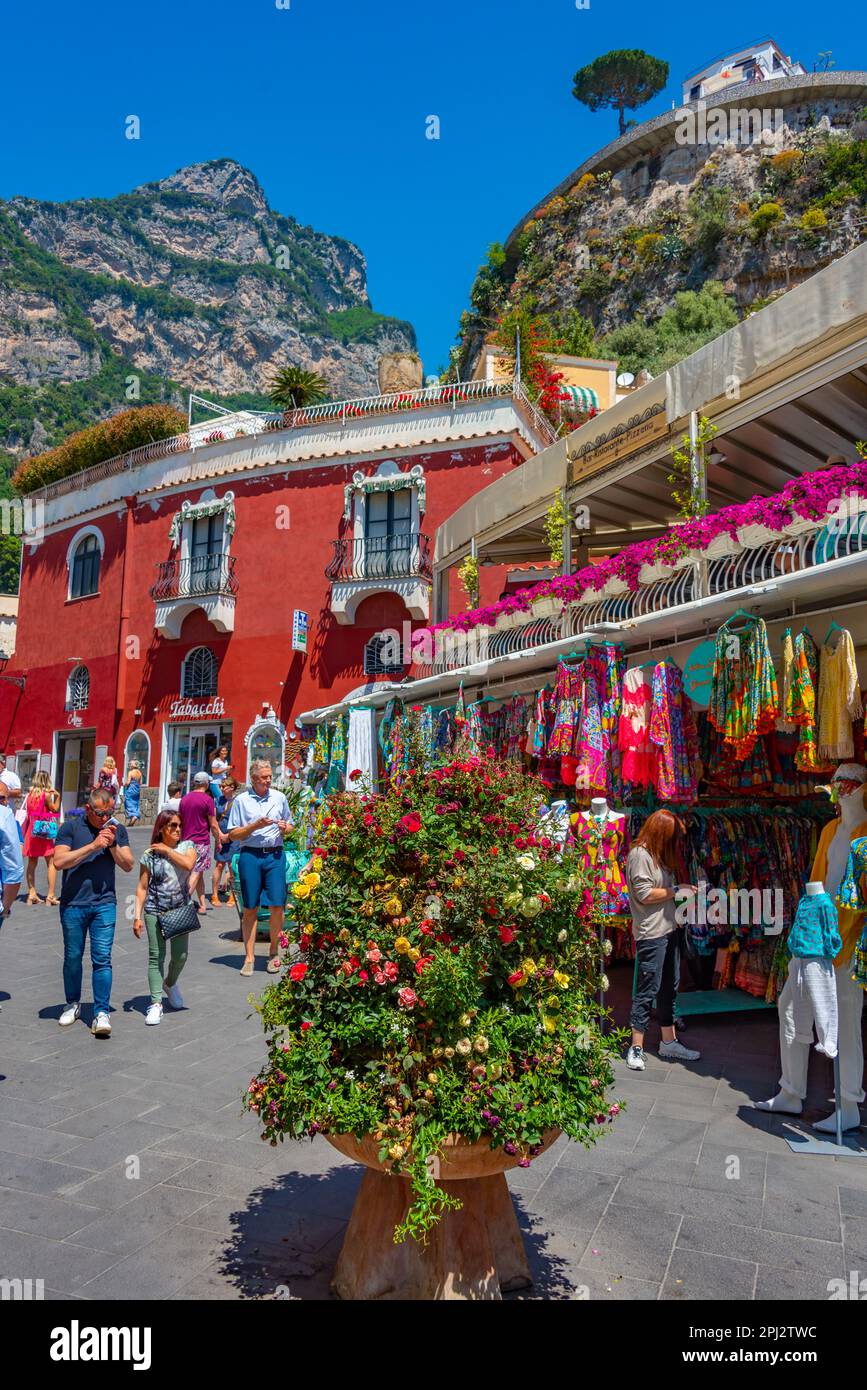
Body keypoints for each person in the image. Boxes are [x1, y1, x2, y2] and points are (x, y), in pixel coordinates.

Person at [625, 809, 701, 1072]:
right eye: (672, 838)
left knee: (669, 987)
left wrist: (681, 893)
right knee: (648, 988)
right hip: (651, 933)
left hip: (669, 929)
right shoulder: (640, 855)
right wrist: (675, 890)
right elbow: (644, 894)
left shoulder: (657, 856)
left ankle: (668, 1041)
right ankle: (636, 1046)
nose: (675, 844)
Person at [53, 788, 133, 1037]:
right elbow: (59, 862)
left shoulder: (116, 829)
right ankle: (72, 1003)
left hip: (104, 903)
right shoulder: (70, 828)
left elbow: (129, 865)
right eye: (100, 813)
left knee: (102, 958)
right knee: (73, 957)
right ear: (88, 809)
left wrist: (111, 846)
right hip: (73, 903)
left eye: (109, 812)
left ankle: (101, 1012)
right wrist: (93, 845)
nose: (104, 817)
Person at [227, 760, 291, 977]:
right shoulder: (241, 801)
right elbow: (233, 834)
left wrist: (285, 827)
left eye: (270, 775)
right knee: (250, 908)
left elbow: (291, 825)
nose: (268, 779)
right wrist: (255, 825)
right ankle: (249, 957)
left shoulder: (279, 797)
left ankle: (273, 953)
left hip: (274, 855)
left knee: (277, 906)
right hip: (250, 856)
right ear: (254, 779)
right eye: (264, 777)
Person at [133, 810, 197, 1026]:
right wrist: (137, 916)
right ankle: (155, 1003)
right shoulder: (149, 855)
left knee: (181, 956)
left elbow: (188, 865)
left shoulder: (187, 847)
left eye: (179, 825)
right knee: (155, 956)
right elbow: (142, 887)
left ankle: (169, 983)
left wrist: (167, 851)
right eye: (172, 826)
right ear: (161, 828)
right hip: (155, 909)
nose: (178, 829)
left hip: (180, 909)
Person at [179, 771, 226, 913]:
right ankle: (182, 902)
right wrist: (218, 840)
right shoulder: (207, 800)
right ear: (206, 783)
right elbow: (213, 824)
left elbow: (180, 821)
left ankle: (202, 905)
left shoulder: (185, 799)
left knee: (196, 872)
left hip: (186, 840)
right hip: (201, 841)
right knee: (197, 871)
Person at [22, 770, 62, 905]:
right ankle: (50, 896)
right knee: (51, 863)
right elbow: (55, 809)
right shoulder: (45, 796)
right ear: (46, 781)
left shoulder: (29, 795)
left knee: (32, 863)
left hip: (32, 831)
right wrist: (58, 796)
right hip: (44, 831)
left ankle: (31, 893)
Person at [211, 776, 238, 906]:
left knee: (232, 865)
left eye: (224, 786)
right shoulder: (217, 800)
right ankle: (214, 895)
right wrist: (219, 835)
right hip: (220, 835)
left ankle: (233, 895)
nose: (221, 788)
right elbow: (214, 819)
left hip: (234, 836)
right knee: (220, 865)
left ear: (232, 787)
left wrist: (231, 835)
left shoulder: (238, 801)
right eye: (220, 786)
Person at [123, 760, 143, 827]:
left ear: (131, 766)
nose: (129, 765)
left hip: (131, 789)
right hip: (137, 790)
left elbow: (128, 782)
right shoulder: (139, 773)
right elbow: (140, 783)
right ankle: (134, 816)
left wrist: (124, 784)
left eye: (130, 764)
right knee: (135, 803)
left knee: (128, 802)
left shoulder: (130, 772)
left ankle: (133, 815)